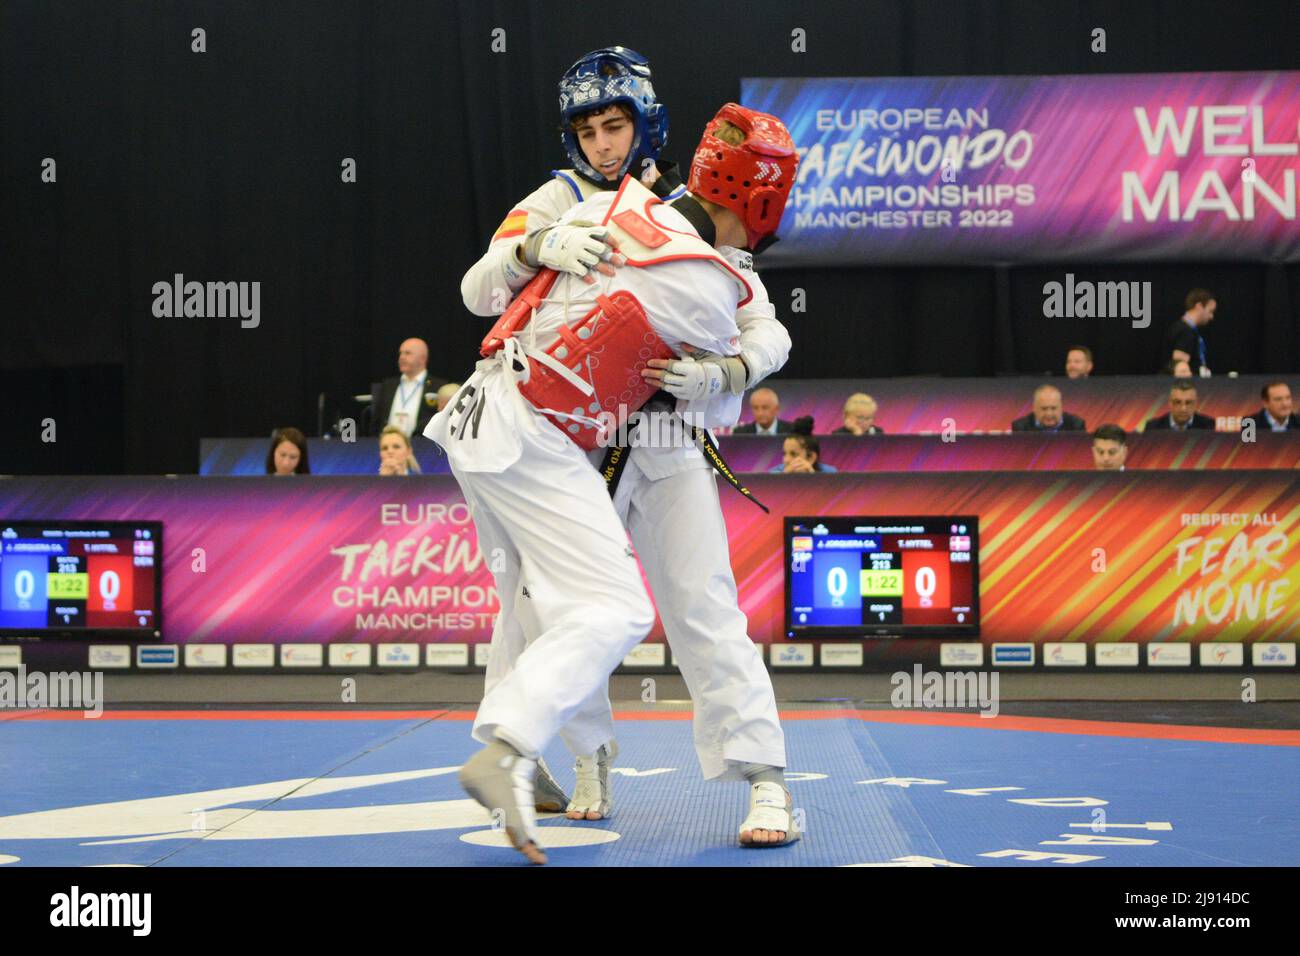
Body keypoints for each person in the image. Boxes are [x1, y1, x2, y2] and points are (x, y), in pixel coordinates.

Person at [432, 99, 799, 863]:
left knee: (702, 602)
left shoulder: (710, 246)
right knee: (548, 606)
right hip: (569, 436)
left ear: (649, 131)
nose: (603, 144)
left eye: (615, 128)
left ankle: (764, 776)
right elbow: (480, 291)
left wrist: (728, 372)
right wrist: (537, 247)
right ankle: (584, 759)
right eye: (589, 131)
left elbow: (768, 330)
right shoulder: (571, 203)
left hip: (664, 438)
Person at [370, 338, 448, 437]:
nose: (401, 357)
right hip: (388, 442)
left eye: (407, 353)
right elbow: (376, 421)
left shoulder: (439, 387)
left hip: (423, 444)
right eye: (400, 353)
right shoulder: (388, 385)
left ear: (422, 358)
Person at [1162, 289, 1216, 377]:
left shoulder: (1187, 330)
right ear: (1199, 306)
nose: (1211, 316)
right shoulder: (1185, 331)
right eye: (1210, 311)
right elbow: (1180, 368)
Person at [1143, 380, 1214, 431]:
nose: (1183, 408)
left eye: (1188, 402)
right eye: (1178, 402)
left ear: (1195, 403)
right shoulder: (1153, 427)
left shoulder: (1207, 426)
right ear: (1170, 403)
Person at [1010, 384, 1086, 432]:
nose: (1049, 414)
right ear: (1034, 409)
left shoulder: (1076, 425)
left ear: (1061, 408)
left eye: (1053, 408)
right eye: (1044, 409)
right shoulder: (1021, 427)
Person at [772, 419, 837, 472]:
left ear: (811, 458)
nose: (786, 460)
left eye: (793, 454)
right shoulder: (774, 473)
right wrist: (784, 477)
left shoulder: (830, 473)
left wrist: (812, 477)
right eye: (784, 453)